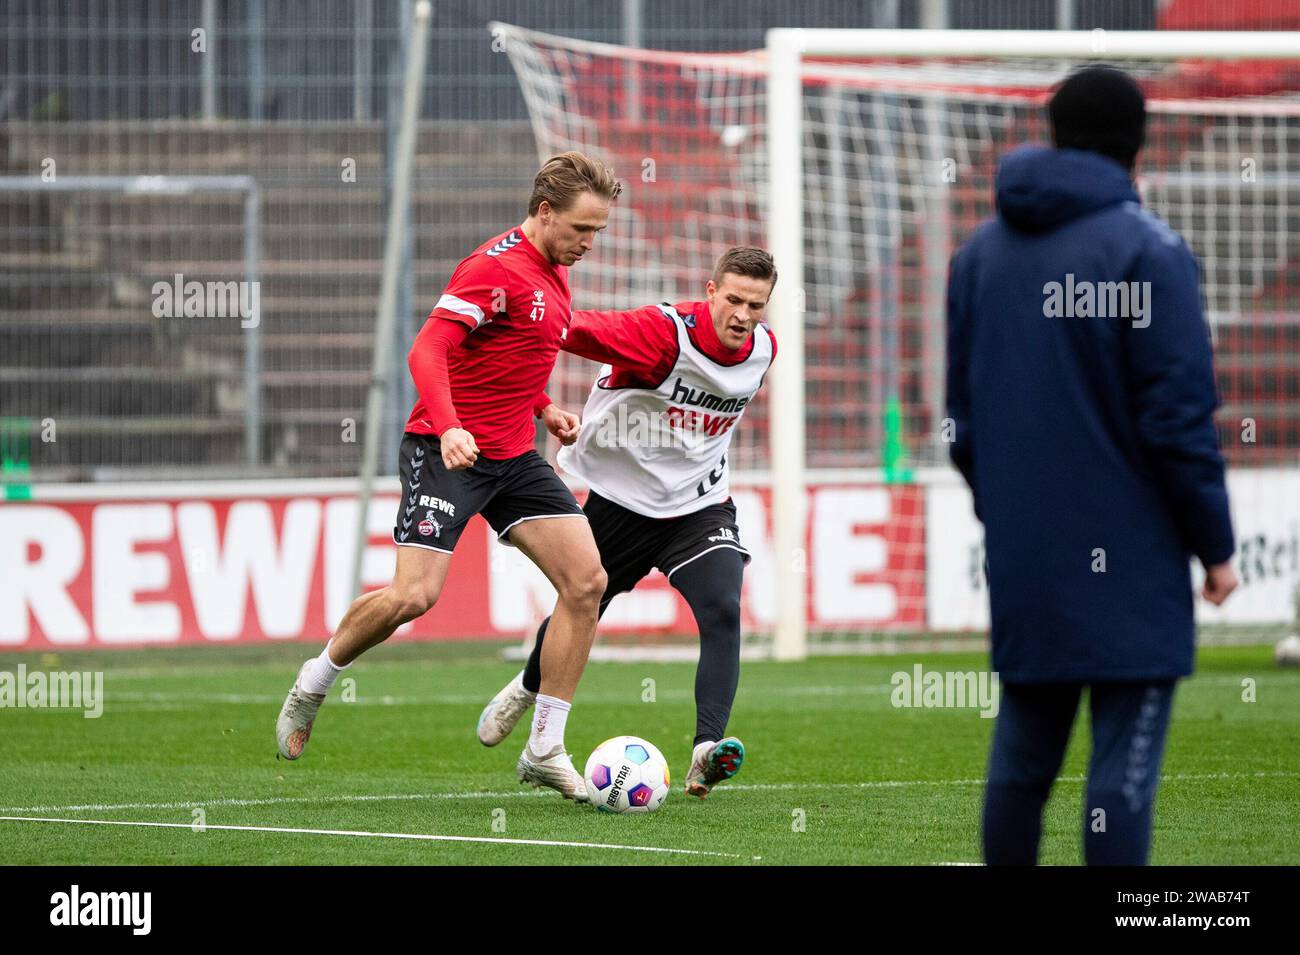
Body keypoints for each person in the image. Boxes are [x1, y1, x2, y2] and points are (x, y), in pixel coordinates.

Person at [945, 65, 1239, 865]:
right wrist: (1214, 544)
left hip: (1027, 555)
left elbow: (960, 429)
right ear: (1138, 142)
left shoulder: (977, 257)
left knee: (1023, 755)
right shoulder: (1150, 249)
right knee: (1124, 765)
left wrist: (1012, 517)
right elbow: (1178, 421)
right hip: (1134, 553)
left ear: (1051, 129)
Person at [276, 151, 622, 802]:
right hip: (446, 449)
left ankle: (546, 745)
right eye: (582, 229)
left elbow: (514, 353)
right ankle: (314, 681)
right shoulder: (492, 269)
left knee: (588, 581)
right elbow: (427, 349)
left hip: (514, 456)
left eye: (598, 232)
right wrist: (450, 424)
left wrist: (545, 407)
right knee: (414, 596)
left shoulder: (555, 271)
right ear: (545, 213)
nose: (588, 243)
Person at [476, 246, 778, 798]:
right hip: (620, 500)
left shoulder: (764, 351)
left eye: (756, 305)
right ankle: (527, 687)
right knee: (585, 602)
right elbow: (577, 331)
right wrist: (514, 312)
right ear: (710, 292)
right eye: (733, 299)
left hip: (698, 505)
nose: (742, 315)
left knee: (724, 607)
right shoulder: (662, 334)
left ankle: (706, 750)